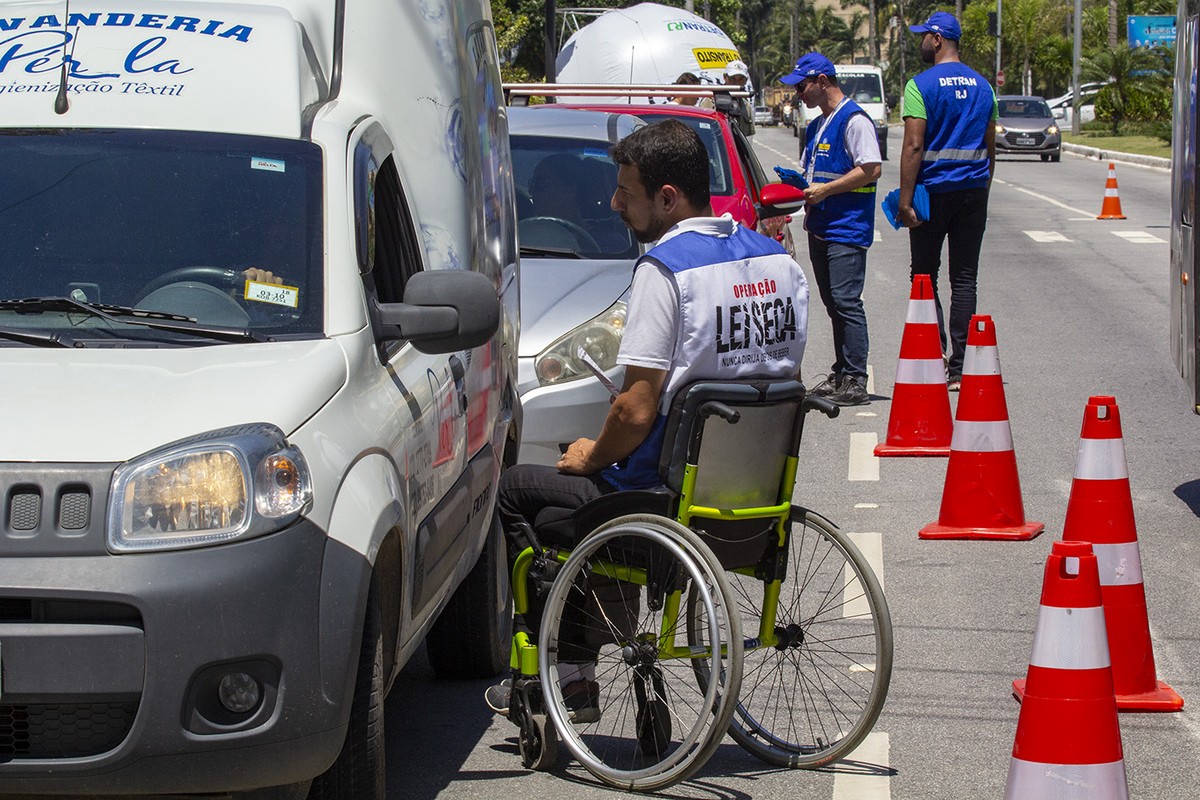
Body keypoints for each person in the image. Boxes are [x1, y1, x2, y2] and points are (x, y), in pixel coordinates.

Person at [485, 119, 809, 719]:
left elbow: (634, 412)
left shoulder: (665, 272)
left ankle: (570, 673)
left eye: (624, 193)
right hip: (753, 501)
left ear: (667, 197)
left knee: (523, 493)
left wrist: (590, 452)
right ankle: (581, 655)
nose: (613, 204)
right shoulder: (781, 266)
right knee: (580, 502)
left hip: (665, 498)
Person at [897, 11, 997, 390]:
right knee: (965, 277)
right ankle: (961, 368)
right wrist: (983, 186)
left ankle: (932, 357)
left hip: (933, 192)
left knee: (924, 275)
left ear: (937, 40)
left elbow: (913, 145)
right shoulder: (984, 86)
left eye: (924, 36)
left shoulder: (920, 86)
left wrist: (906, 201)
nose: (920, 42)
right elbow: (990, 146)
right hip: (973, 191)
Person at [780, 52, 881, 406]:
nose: (799, 95)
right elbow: (812, 173)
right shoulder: (816, 124)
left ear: (823, 82)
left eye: (802, 86)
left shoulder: (854, 121)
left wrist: (825, 190)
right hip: (821, 225)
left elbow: (870, 169)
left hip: (847, 227)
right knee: (832, 302)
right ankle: (842, 372)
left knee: (846, 301)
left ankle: (855, 379)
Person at [723, 59, 756, 137]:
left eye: (741, 79)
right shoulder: (712, 102)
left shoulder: (746, 105)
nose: (736, 83)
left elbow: (748, 137)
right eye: (732, 79)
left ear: (746, 80)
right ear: (725, 77)